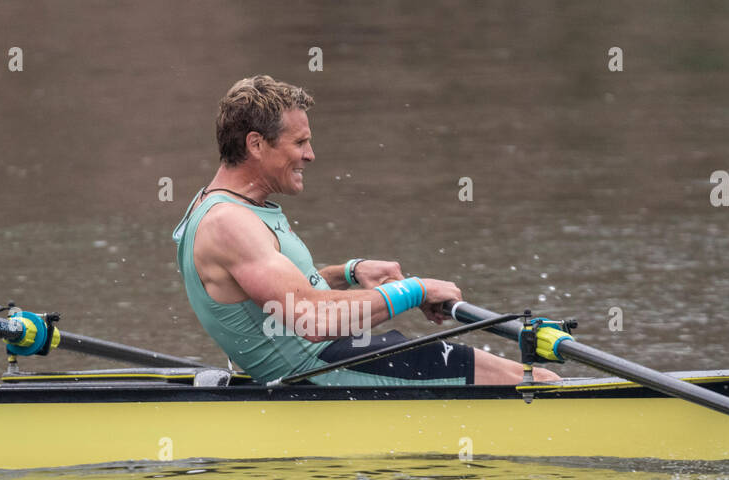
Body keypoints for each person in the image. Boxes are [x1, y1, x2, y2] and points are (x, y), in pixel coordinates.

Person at [172, 75, 558, 386]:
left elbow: (282, 295)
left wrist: (350, 272)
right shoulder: (229, 224)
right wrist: (415, 290)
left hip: (336, 359)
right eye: (300, 142)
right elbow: (310, 319)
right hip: (320, 373)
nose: (310, 155)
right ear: (256, 144)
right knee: (540, 380)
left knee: (536, 377)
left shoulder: (223, 208)